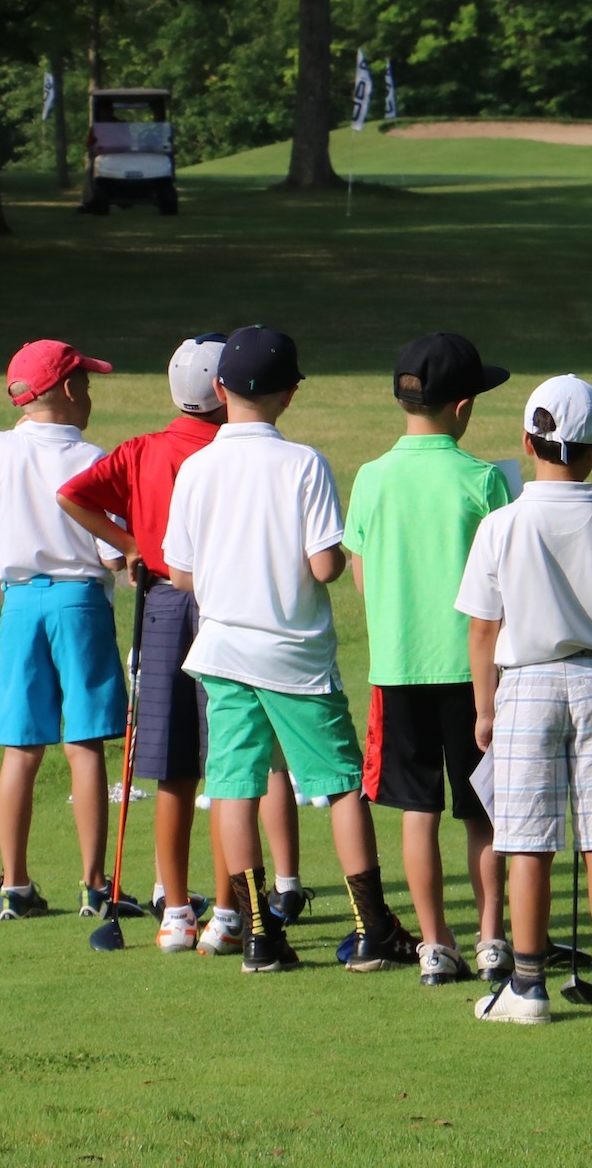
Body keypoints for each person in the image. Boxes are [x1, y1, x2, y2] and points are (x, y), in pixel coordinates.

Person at [163, 325, 417, 974]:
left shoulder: (196, 467)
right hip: (294, 656)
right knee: (340, 785)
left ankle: (258, 935)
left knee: (234, 787)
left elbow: (181, 573)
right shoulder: (303, 462)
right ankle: (372, 927)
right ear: (291, 393)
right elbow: (325, 564)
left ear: (220, 389)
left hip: (222, 652)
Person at [56, 333, 309, 957]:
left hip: (164, 604)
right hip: (225, 604)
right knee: (229, 767)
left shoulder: (142, 449)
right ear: (224, 391)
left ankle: (174, 913)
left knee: (173, 769)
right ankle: (226, 912)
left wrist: (130, 546)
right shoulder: (232, 453)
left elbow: (71, 495)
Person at [460, 375, 592, 1023]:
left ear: (527, 441)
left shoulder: (500, 524)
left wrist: (484, 709)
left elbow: (482, 627)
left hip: (525, 686)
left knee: (527, 839)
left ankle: (527, 986)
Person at [344, 333, 516, 987]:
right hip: (475, 672)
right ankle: (492, 936)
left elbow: (361, 576)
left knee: (419, 810)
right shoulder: (484, 479)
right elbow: (508, 578)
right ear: (463, 406)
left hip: (397, 668)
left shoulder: (371, 477)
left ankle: (435, 944)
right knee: (482, 810)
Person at [0, 339, 131, 921]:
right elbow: (113, 554)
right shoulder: (93, 457)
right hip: (79, 603)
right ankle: (94, 885)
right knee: (84, 742)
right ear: (66, 389)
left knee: (21, 745)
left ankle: (15, 884)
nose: (89, 393)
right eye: (84, 383)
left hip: (19, 604)